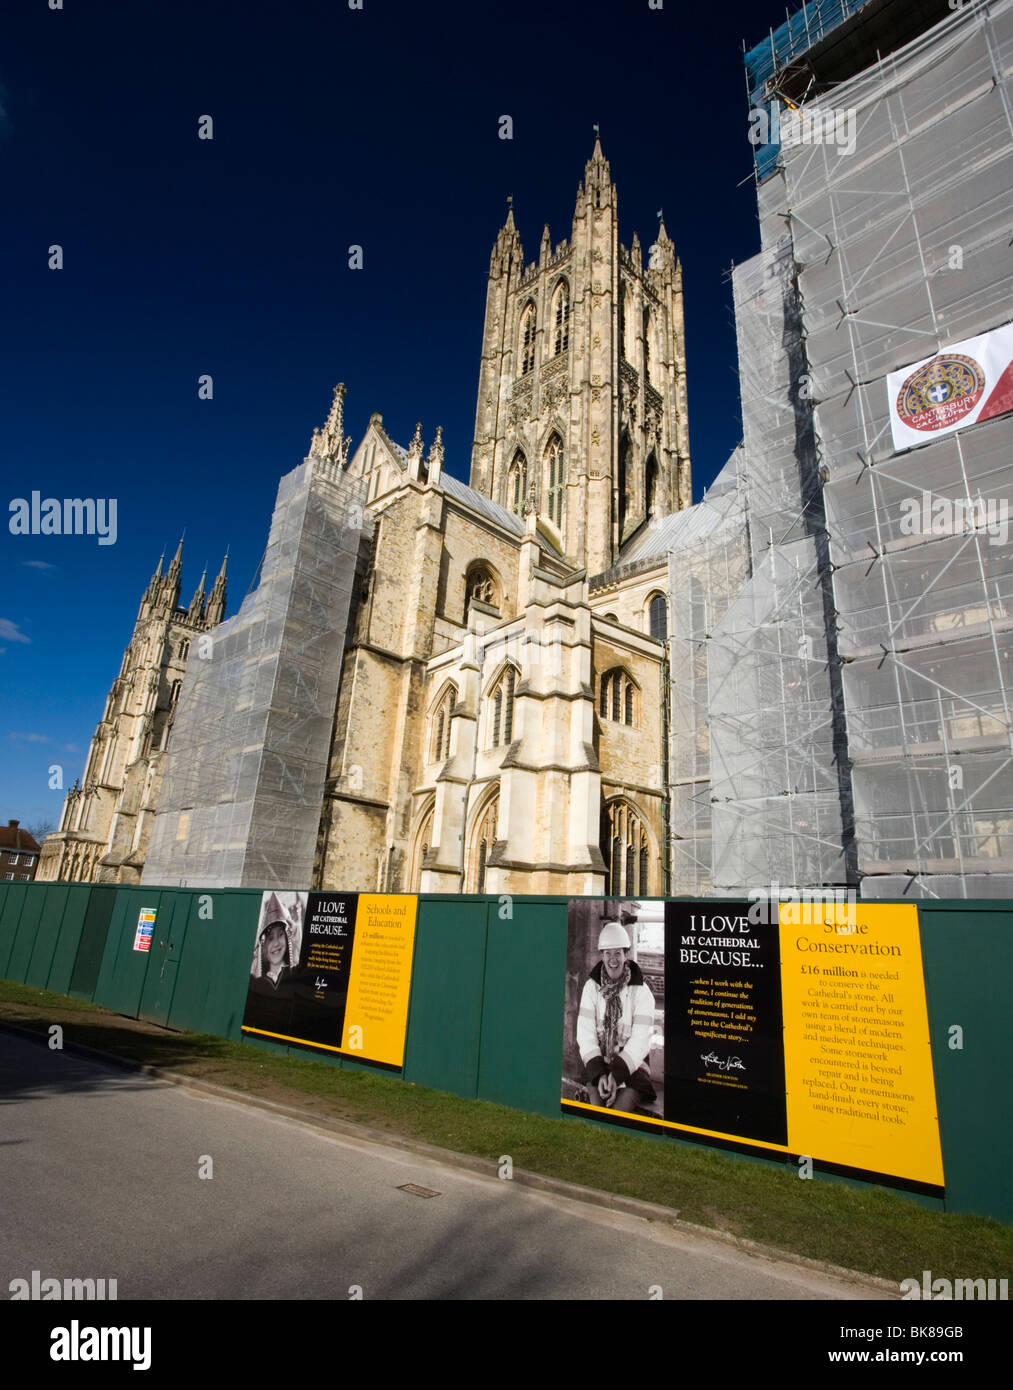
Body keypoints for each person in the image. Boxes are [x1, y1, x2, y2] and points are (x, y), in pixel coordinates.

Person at [577, 920, 657, 1114]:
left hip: (632, 1069)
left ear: (626, 955)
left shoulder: (642, 991)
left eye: (617, 953)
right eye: (608, 953)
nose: (613, 959)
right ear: (601, 956)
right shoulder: (591, 988)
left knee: (617, 1113)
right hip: (600, 1064)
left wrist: (616, 1075)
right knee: (597, 1109)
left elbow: (641, 1041)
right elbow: (585, 1035)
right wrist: (601, 1075)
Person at [242, 894, 300, 1034]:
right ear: (263, 944)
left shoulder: (293, 975)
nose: (276, 943)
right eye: (270, 938)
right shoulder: (256, 982)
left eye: (281, 935)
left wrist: (296, 933)